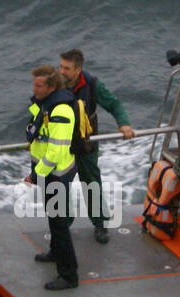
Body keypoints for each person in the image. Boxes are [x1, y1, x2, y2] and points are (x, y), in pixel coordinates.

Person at [57, 49, 135, 244]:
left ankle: (100, 224)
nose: (62, 71)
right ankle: (63, 224)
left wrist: (123, 123)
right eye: (61, 66)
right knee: (59, 184)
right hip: (61, 144)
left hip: (86, 143)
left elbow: (114, 104)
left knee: (91, 182)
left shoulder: (92, 85)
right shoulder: (54, 84)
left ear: (78, 70)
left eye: (66, 68)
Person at [24, 65, 79, 290]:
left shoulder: (61, 112)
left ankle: (69, 275)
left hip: (57, 175)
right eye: (34, 84)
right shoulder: (44, 105)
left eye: (39, 85)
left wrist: (36, 174)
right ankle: (56, 252)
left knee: (59, 224)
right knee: (54, 217)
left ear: (51, 87)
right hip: (48, 173)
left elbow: (56, 151)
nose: (34, 89)